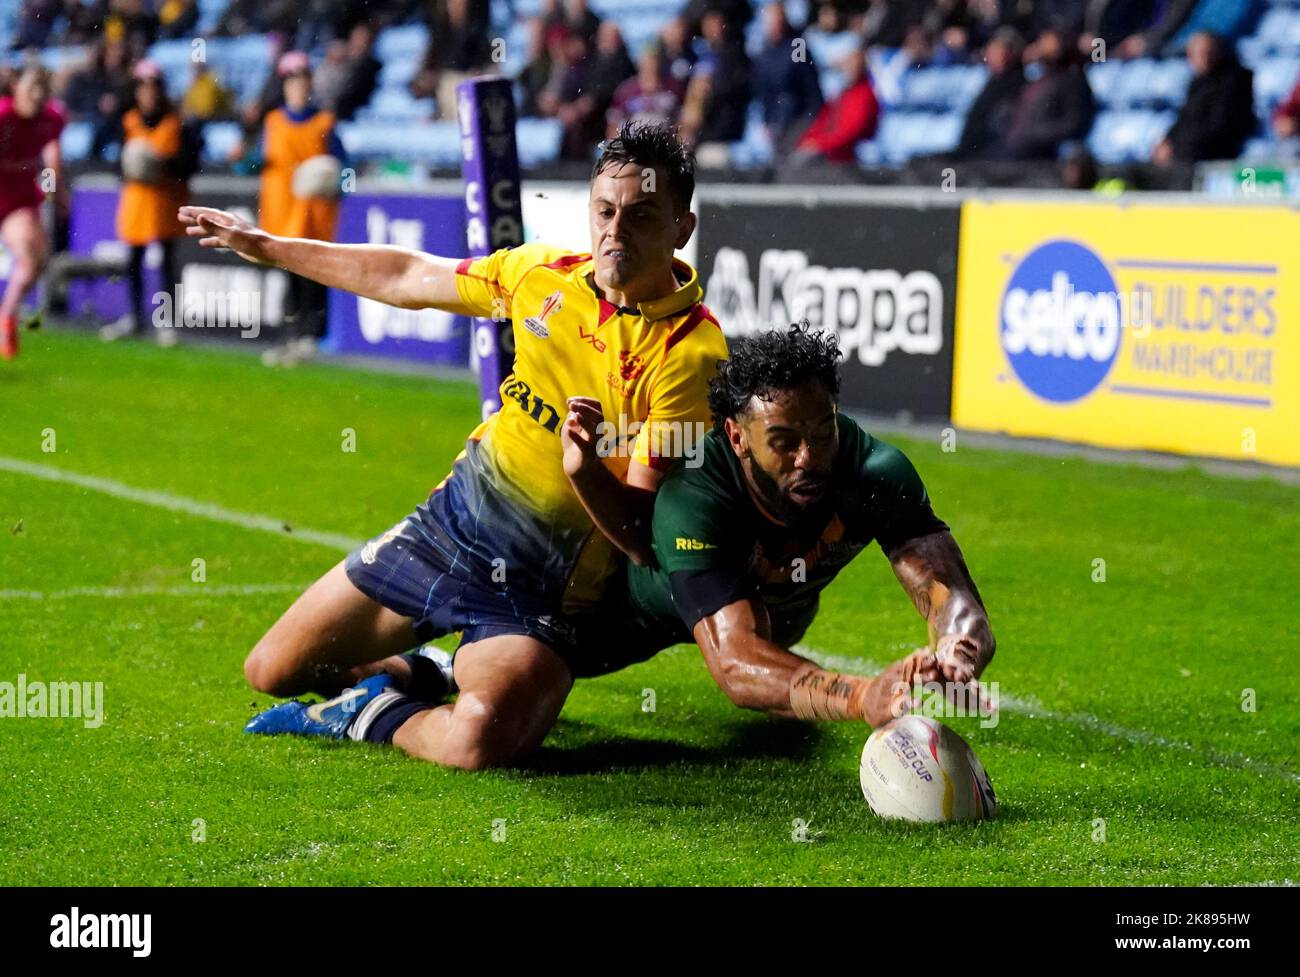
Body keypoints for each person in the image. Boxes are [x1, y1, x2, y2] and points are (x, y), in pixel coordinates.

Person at [179, 120, 731, 769]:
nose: (616, 231)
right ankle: (419, 668)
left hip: (541, 595)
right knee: (272, 668)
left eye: (641, 215)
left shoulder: (692, 356)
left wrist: (584, 470)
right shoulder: (541, 275)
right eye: (605, 211)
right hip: (449, 530)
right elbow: (408, 275)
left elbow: (639, 535)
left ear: (680, 229)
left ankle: (367, 710)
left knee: (479, 742)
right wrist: (271, 247)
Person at [565, 322, 996, 724]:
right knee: (520, 698)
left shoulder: (875, 472)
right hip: (638, 616)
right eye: (784, 442)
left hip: (782, 619)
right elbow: (738, 663)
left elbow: (950, 594)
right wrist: (862, 696)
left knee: (769, 634)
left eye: (823, 433)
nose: (808, 457)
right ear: (737, 438)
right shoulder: (694, 495)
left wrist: (957, 650)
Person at [255, 50, 348, 366]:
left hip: (315, 219)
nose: (298, 88)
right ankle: (292, 336)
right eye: (292, 82)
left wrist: (338, 187)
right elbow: (254, 162)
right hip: (282, 215)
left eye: (302, 81)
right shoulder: (272, 123)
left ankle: (312, 338)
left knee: (314, 278)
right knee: (289, 279)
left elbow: (347, 171)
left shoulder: (324, 122)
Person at [102, 58, 198, 344]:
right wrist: (133, 167)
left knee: (168, 262)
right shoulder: (128, 121)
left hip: (165, 202)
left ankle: (167, 322)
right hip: (136, 202)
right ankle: (134, 317)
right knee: (134, 261)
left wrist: (160, 164)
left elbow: (190, 165)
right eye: (143, 87)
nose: (149, 93)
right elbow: (117, 164)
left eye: (153, 86)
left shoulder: (175, 123)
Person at [0, 64, 66, 361]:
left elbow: (51, 154)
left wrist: (55, 188)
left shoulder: (51, 119)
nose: (36, 97)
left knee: (36, 260)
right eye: (30, 89)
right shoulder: (3, 116)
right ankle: (7, 319)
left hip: (22, 199)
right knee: (28, 259)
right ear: (15, 88)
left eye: (42, 91)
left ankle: (7, 317)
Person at [1153, 32, 1255, 167]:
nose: (1203, 58)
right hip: (1188, 149)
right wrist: (1168, 140)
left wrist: (1177, 145)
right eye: (1198, 54)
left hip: (1214, 151)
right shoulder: (1196, 83)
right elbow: (1184, 117)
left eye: (1207, 53)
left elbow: (1220, 125)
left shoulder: (1234, 81)